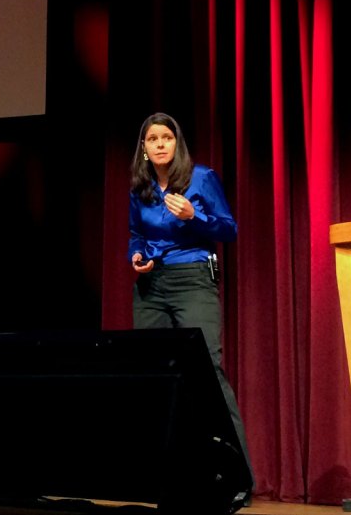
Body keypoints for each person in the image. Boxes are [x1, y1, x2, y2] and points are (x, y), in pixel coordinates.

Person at [128, 112, 254, 501]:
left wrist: (193, 215)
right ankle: (165, 476)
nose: (160, 144)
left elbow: (229, 229)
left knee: (207, 371)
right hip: (151, 285)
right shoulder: (140, 187)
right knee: (154, 374)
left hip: (193, 280)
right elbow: (135, 234)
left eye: (166, 137)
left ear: (176, 142)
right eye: (152, 139)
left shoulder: (201, 178)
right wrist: (136, 255)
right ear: (144, 148)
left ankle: (239, 478)